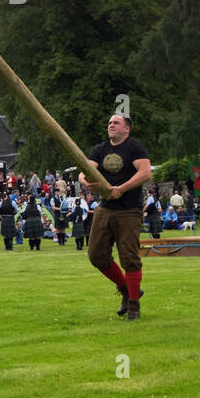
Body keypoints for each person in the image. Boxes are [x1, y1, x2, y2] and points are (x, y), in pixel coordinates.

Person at [84, 114, 152, 320]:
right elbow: (84, 171)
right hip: (105, 208)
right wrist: (86, 182)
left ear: (127, 129)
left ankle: (134, 305)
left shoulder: (134, 147)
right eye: (110, 123)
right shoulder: (100, 149)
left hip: (129, 209)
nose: (111, 126)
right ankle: (125, 289)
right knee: (96, 255)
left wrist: (121, 189)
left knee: (129, 258)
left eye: (116, 123)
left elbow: (145, 172)